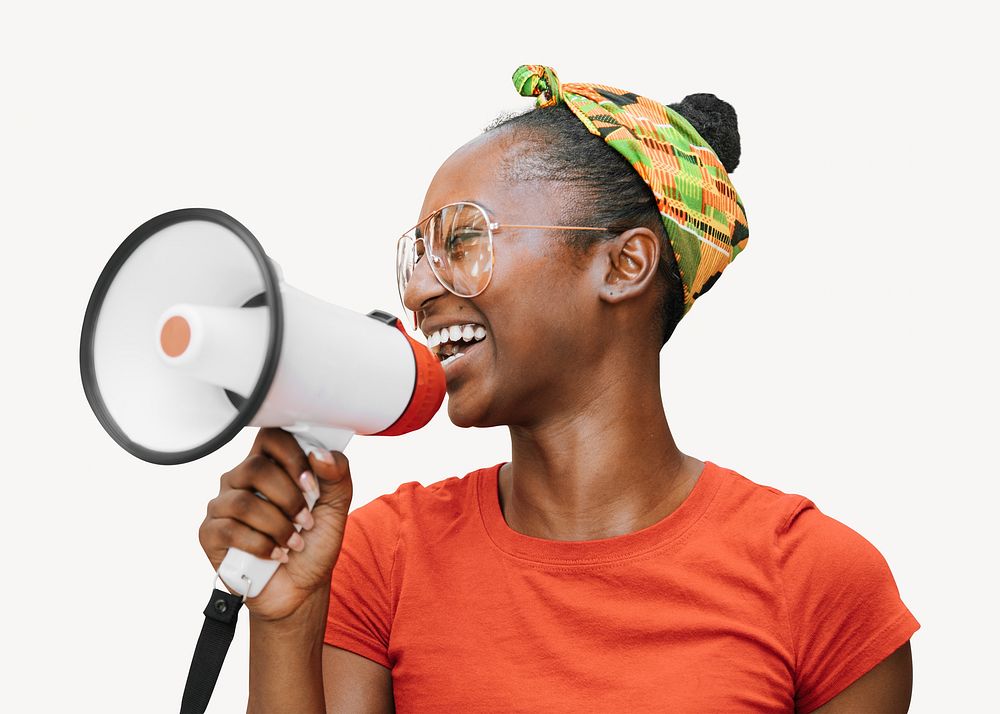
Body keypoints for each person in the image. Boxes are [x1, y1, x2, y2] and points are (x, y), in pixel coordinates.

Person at [198, 65, 920, 713]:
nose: (418, 290)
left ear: (624, 265)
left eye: (461, 240)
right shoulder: (379, 556)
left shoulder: (821, 582)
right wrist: (287, 622)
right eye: (415, 257)